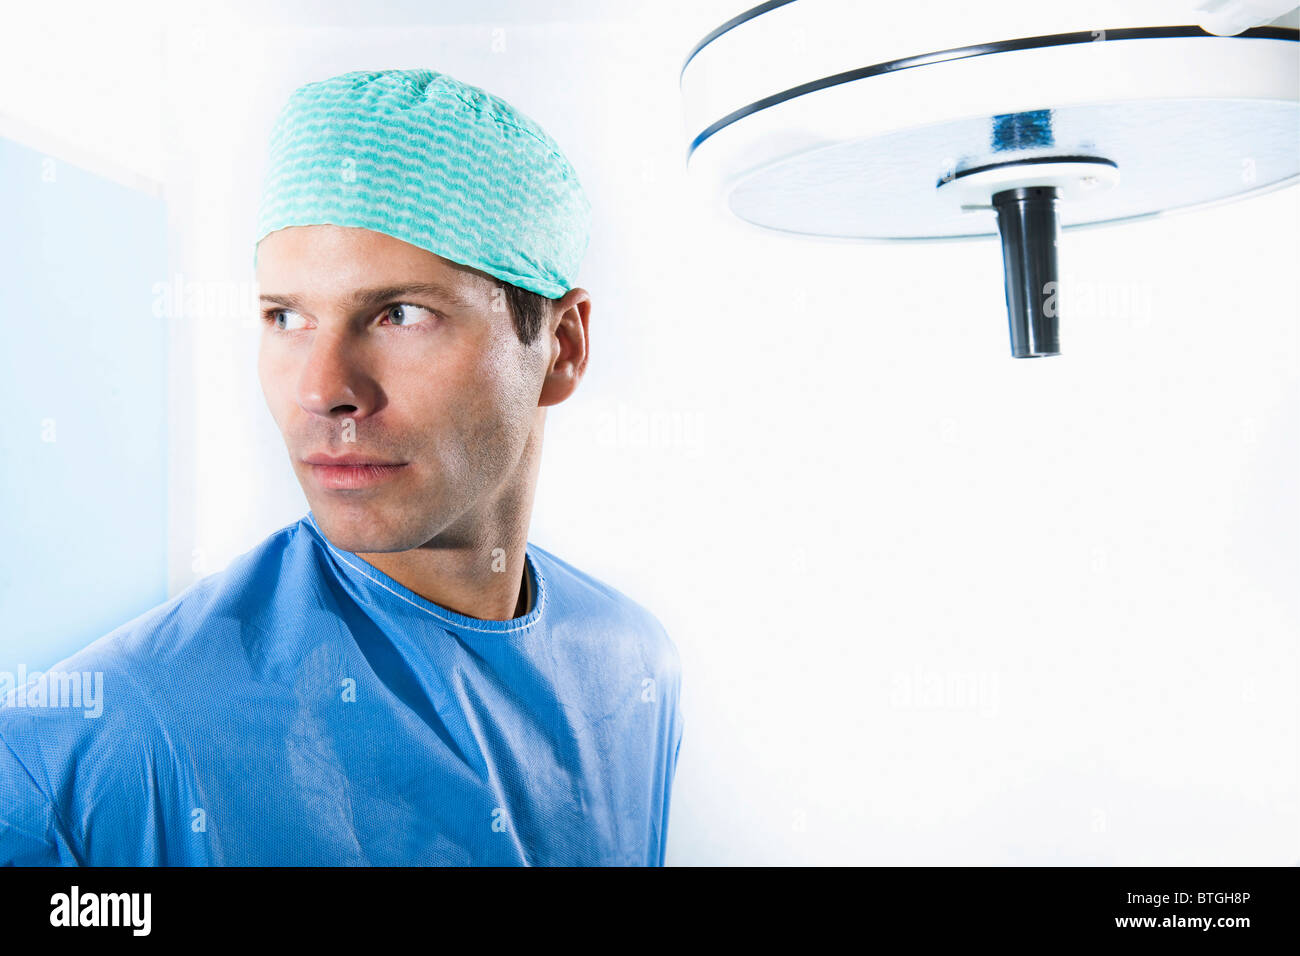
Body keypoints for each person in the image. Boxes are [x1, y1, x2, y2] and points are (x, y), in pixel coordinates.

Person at [0, 69, 684, 866]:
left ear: (561, 348)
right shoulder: (92, 754)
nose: (323, 389)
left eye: (400, 314)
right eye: (285, 317)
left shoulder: (637, 672)